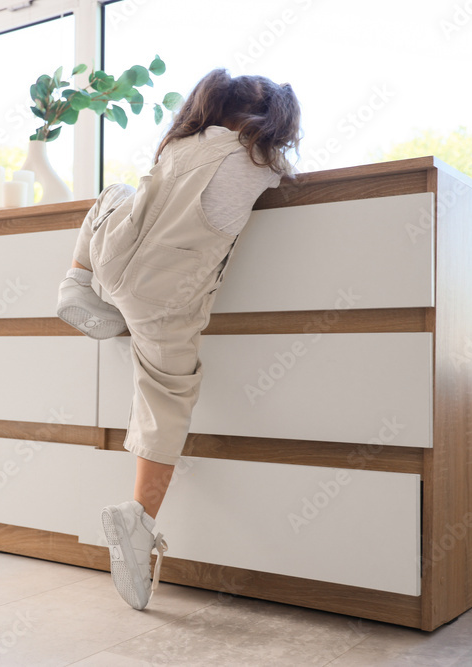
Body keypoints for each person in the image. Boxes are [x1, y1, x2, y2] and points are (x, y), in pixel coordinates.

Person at [56, 69, 301, 610]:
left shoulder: (181, 144)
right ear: (270, 124)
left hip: (112, 255)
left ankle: (76, 280)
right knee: (165, 392)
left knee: (113, 192)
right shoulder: (258, 160)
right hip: (166, 291)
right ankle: (138, 518)